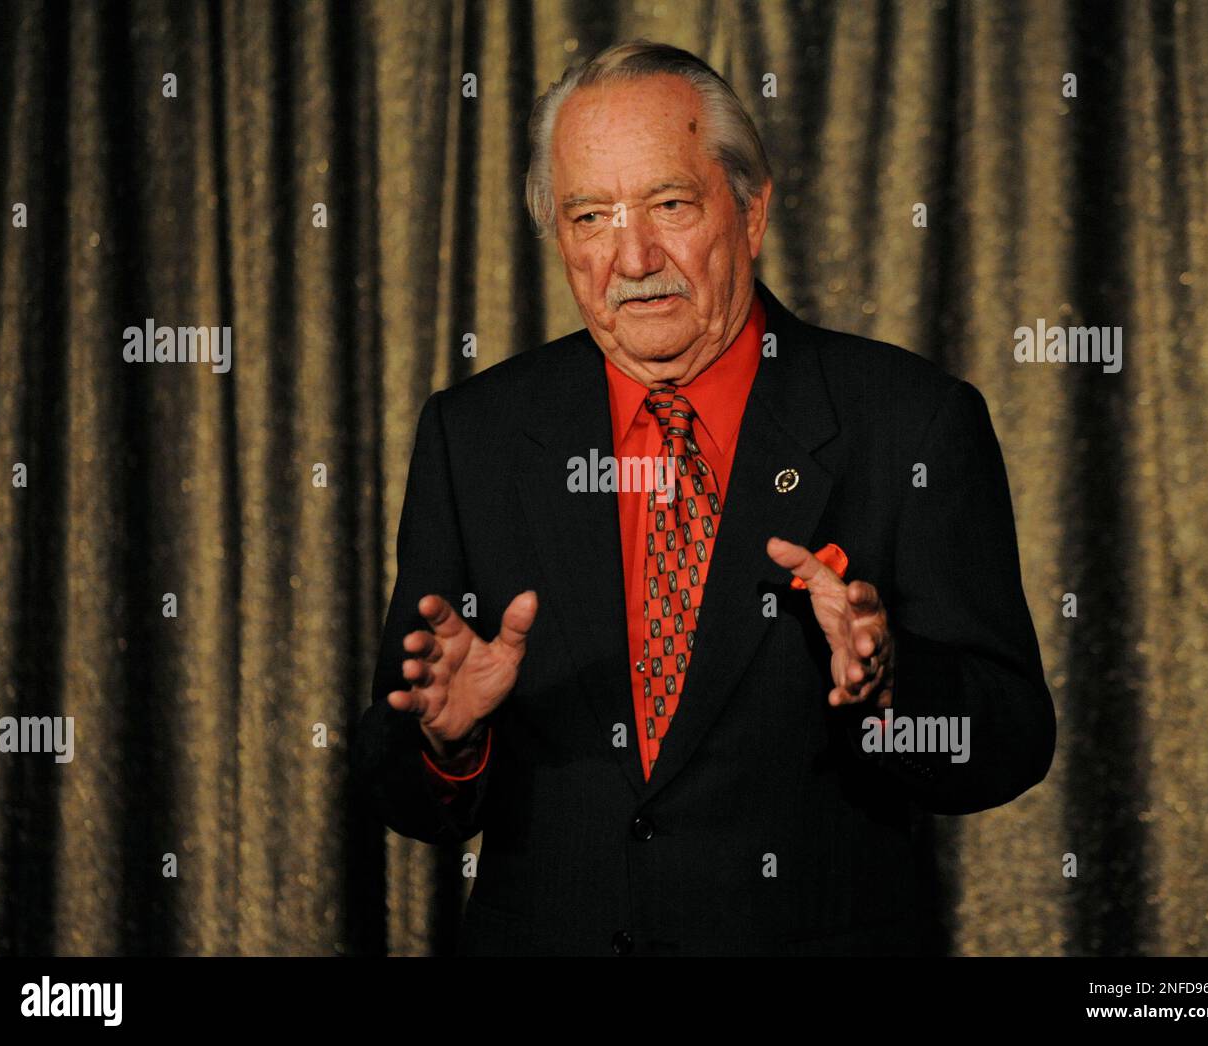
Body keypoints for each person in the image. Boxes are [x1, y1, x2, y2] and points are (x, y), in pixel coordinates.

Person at [352, 40, 1055, 956]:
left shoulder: (909, 423)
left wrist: (892, 688)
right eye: (590, 216)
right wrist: (448, 745)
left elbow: (1009, 740)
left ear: (751, 210)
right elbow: (397, 781)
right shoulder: (475, 435)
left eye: (669, 204)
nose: (631, 255)